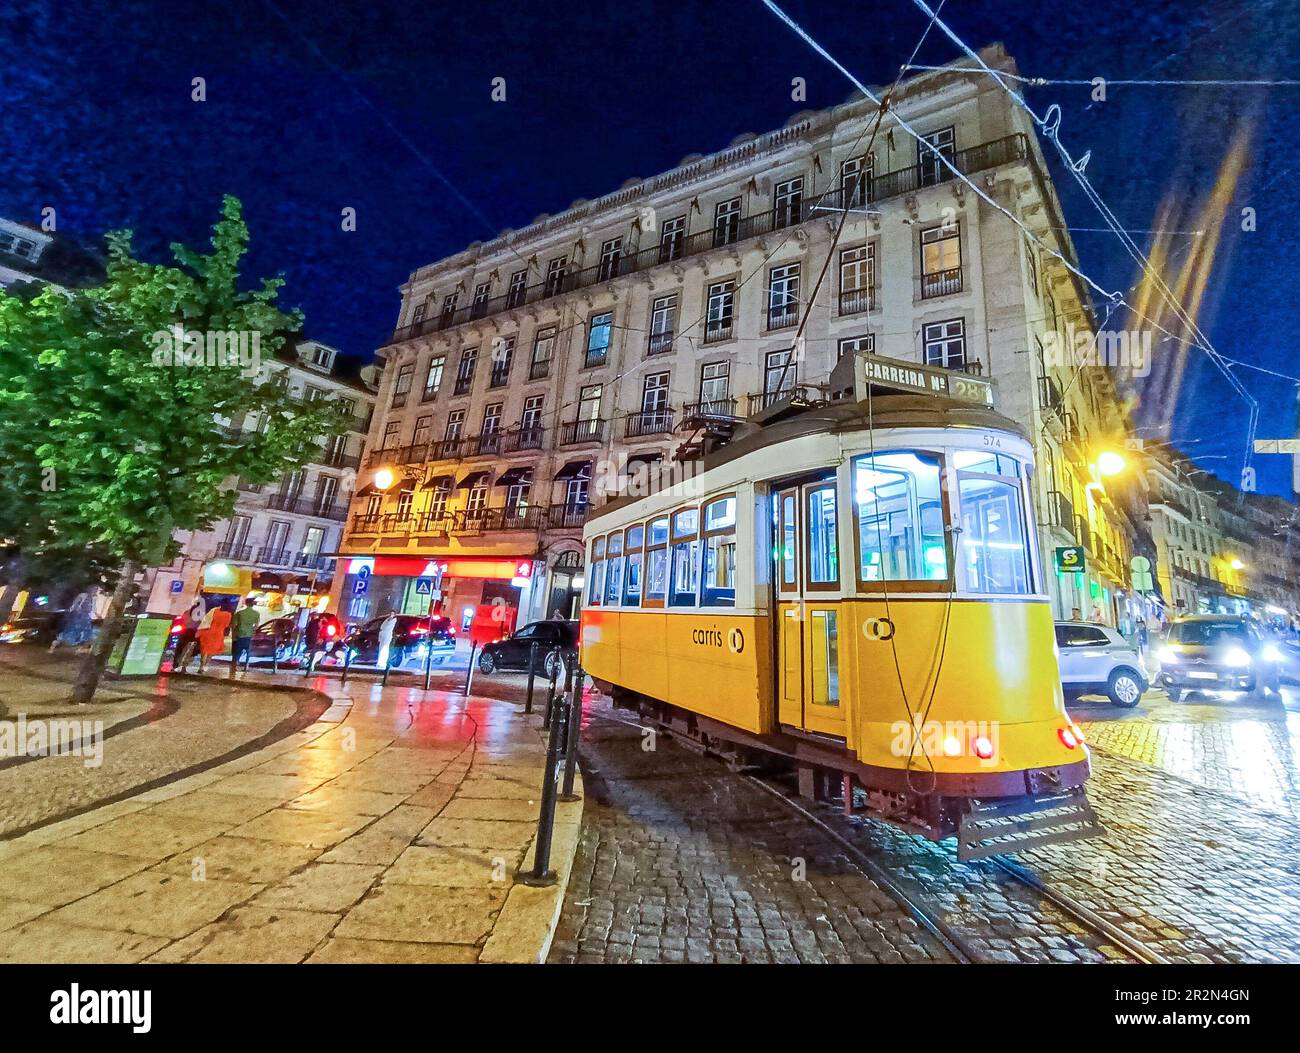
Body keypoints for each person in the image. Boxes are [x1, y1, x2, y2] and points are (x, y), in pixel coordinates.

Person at [196, 603, 232, 673]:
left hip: (208, 633)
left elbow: (206, 620)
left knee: (204, 650)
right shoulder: (228, 614)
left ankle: (201, 666)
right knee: (211, 651)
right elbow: (226, 625)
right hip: (218, 635)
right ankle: (205, 666)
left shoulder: (214, 610)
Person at [230, 597, 260, 678]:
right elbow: (256, 626)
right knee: (247, 651)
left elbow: (234, 625)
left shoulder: (239, 613)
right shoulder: (256, 614)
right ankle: (246, 666)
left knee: (237, 651)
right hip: (249, 635)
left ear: (246, 603)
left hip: (239, 634)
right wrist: (252, 630)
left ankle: (235, 666)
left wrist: (234, 634)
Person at [174, 599, 206, 671]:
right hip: (193, 633)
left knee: (180, 648)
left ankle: (176, 664)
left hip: (184, 631)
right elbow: (201, 624)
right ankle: (184, 666)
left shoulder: (187, 612)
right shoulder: (200, 614)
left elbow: (182, 620)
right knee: (191, 650)